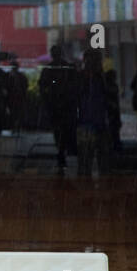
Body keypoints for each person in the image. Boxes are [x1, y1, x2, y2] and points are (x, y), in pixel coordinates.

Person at [39, 45, 78, 175]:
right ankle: (63, 151)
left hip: (57, 105)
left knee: (59, 130)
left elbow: (42, 88)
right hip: (63, 106)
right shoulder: (67, 68)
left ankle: (62, 151)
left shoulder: (50, 69)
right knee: (64, 130)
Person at [76, 49, 111, 177]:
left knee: (98, 159)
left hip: (96, 122)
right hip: (88, 122)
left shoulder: (101, 79)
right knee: (86, 160)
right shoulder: (85, 78)